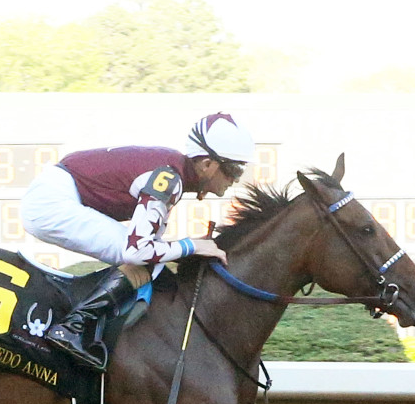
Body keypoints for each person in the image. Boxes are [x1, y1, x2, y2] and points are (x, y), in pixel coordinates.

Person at [20, 112, 255, 370]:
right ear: (207, 164)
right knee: (143, 260)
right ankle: (72, 326)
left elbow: (150, 244)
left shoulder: (173, 171)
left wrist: (187, 247)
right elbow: (137, 251)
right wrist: (192, 246)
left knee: (151, 264)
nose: (235, 178)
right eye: (233, 169)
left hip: (59, 191)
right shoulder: (169, 179)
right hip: (51, 202)